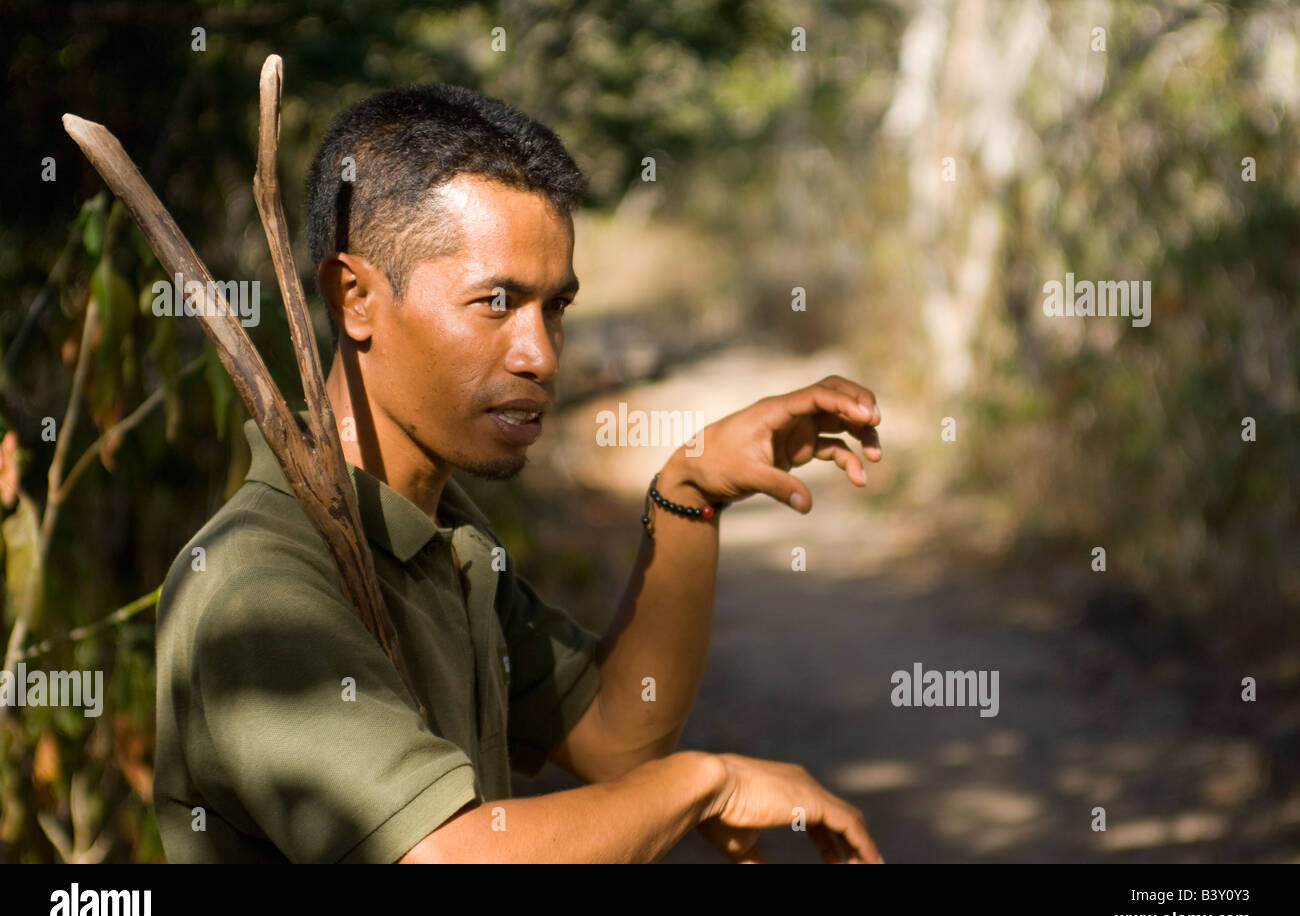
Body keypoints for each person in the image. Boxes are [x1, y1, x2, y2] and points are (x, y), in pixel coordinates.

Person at [153, 82, 885, 864]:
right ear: (355, 297)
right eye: (497, 301)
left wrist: (690, 492)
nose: (540, 354)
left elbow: (617, 736)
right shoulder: (258, 581)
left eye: (555, 308)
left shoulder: (444, 537)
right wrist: (706, 782)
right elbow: (445, 858)